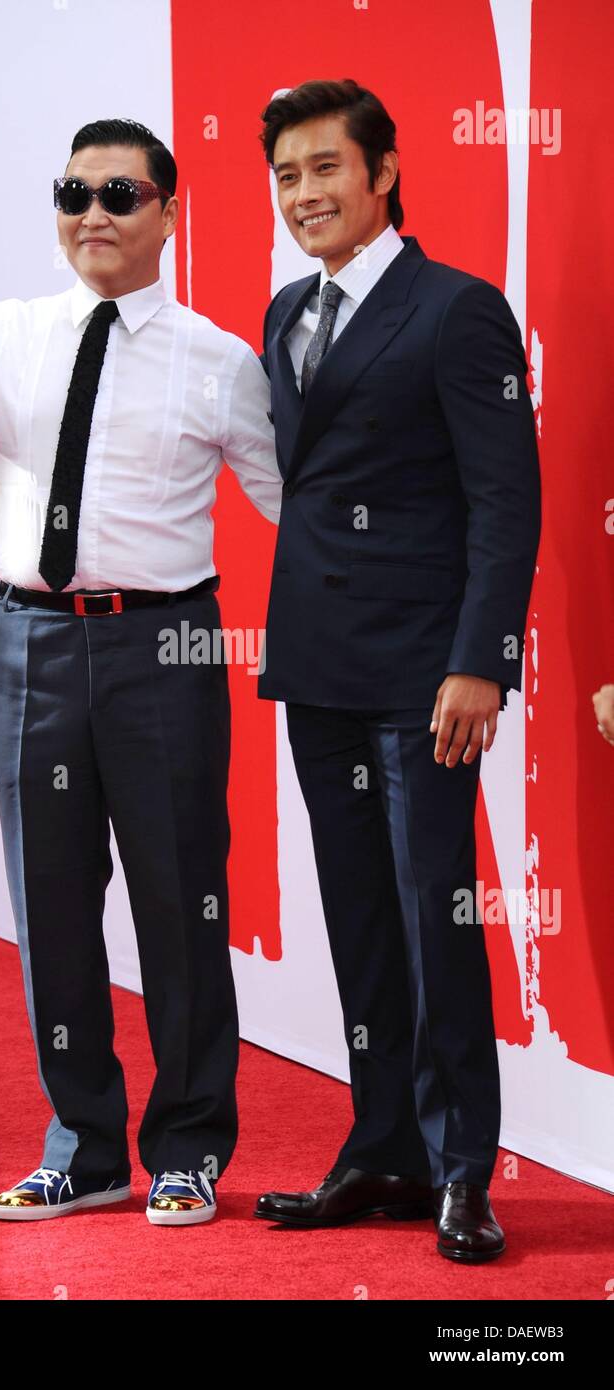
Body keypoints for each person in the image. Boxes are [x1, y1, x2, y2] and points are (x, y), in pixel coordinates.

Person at [0, 118, 282, 1226]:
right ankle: (85, 1148)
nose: (94, 211)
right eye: (73, 191)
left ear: (168, 214)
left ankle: (188, 1144)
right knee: (50, 908)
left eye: (121, 194)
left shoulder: (221, 359)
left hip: (165, 649)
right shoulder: (2, 333)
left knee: (180, 900)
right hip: (31, 643)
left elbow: (298, 510)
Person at [252, 79, 541, 1262]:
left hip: (427, 677)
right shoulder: (282, 312)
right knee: (360, 921)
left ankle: (465, 1171)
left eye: (326, 168)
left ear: (383, 173)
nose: (305, 193)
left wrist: (482, 661)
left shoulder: (459, 311)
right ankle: (382, 1149)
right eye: (286, 175)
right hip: (318, 670)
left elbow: (503, 501)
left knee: (435, 919)